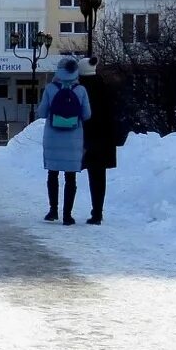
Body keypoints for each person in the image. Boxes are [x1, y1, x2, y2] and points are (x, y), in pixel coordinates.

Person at [35, 56, 92, 224]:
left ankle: (53, 210)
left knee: (52, 174)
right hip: (73, 140)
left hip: (53, 138)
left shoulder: (50, 88)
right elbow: (87, 115)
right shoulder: (81, 90)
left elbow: (42, 113)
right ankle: (67, 215)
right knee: (70, 178)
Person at [78, 56, 123, 225]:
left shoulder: (82, 88)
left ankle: (93, 211)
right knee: (100, 175)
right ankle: (98, 210)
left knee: (92, 174)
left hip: (89, 138)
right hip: (106, 138)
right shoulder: (106, 86)